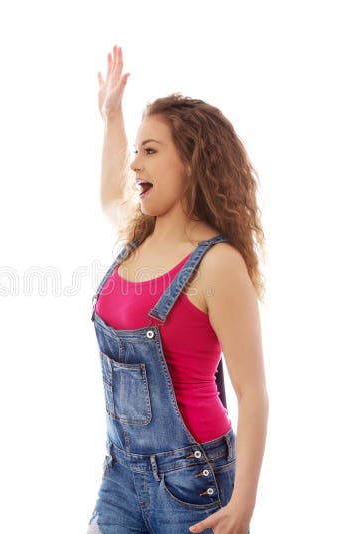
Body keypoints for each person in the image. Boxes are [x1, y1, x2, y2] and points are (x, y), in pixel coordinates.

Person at [87, 46, 268, 534]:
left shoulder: (219, 264)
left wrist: (244, 506)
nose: (135, 165)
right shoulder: (136, 238)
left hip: (195, 480)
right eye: (136, 152)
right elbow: (109, 192)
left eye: (150, 151)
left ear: (191, 161)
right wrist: (111, 116)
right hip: (121, 473)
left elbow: (252, 394)